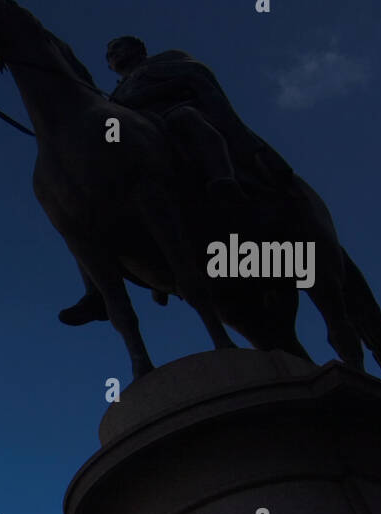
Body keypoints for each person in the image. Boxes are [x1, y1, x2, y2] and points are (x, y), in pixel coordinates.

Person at [58, 35, 295, 327]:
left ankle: (223, 180)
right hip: (142, 143)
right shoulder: (114, 95)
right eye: (108, 54)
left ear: (139, 49)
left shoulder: (166, 61)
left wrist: (141, 98)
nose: (113, 55)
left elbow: (194, 81)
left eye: (118, 47)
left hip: (172, 120)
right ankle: (103, 290)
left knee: (189, 120)